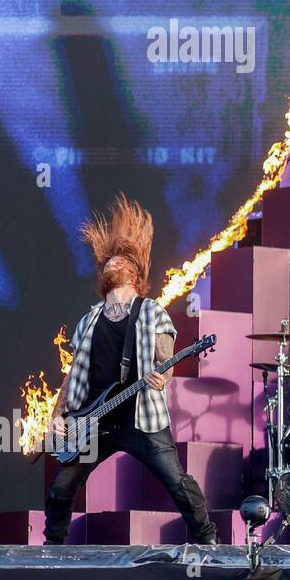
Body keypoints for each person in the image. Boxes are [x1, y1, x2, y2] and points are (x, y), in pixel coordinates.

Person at [45, 195, 218, 545]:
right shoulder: (90, 318)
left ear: (136, 275)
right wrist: (58, 413)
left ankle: (208, 541)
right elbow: (72, 373)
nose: (114, 262)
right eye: (109, 260)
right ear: (102, 274)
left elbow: (165, 356)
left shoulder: (151, 311)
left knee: (176, 481)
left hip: (142, 419)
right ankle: (52, 549)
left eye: (122, 260)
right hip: (94, 419)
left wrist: (162, 375)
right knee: (63, 485)